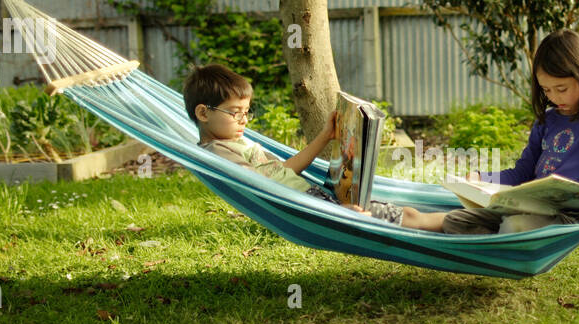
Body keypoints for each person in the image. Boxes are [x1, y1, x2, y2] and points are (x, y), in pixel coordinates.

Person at [413, 28, 579, 234]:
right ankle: (412, 219)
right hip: (530, 207)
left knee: (515, 225)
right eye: (546, 90)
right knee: (459, 220)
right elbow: (522, 172)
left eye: (561, 89)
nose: (554, 97)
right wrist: (482, 177)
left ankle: (501, 242)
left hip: (570, 217)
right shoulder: (547, 120)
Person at [183, 64, 435, 228]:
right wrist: (339, 214)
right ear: (203, 113)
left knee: (401, 211)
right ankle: (469, 230)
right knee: (405, 217)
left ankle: (462, 223)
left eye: (247, 111)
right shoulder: (218, 152)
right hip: (309, 207)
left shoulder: (234, 141)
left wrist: (326, 136)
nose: (244, 119)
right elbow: (267, 187)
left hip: (314, 199)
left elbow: (282, 171)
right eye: (235, 112)